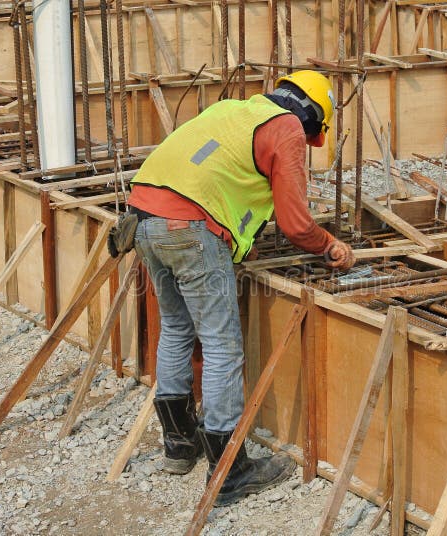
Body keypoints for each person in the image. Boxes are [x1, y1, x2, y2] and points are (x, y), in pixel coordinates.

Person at [128, 70, 356, 506]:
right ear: (311, 117)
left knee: (177, 329)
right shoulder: (286, 127)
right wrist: (329, 246)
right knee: (221, 346)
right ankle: (231, 469)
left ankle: (179, 446)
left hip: (142, 218)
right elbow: (295, 223)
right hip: (191, 230)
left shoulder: (234, 109)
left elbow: (218, 176)